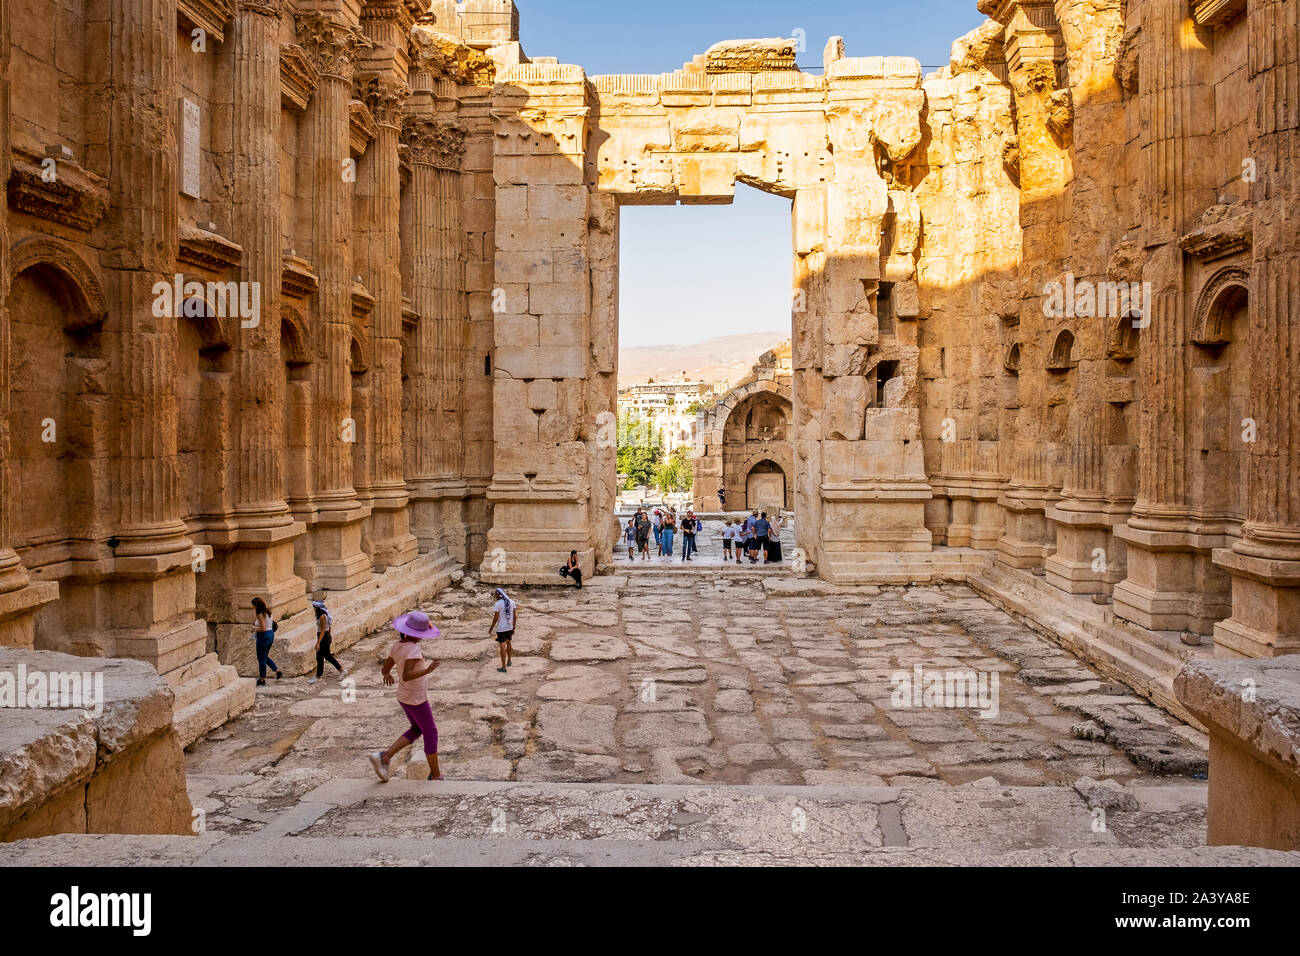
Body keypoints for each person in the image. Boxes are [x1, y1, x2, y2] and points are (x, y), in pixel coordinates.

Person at [369, 609, 442, 782]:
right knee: (431, 733)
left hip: (404, 696)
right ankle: (436, 776)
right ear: (417, 635)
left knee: (416, 729)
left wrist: (387, 674)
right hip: (416, 699)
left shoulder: (397, 646)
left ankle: (385, 757)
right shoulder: (414, 650)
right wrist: (428, 670)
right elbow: (407, 676)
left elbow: (385, 669)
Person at [308, 599, 344, 684]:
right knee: (324, 656)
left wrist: (318, 643)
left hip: (323, 637)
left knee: (322, 657)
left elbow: (323, 630)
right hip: (325, 637)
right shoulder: (324, 615)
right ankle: (320, 675)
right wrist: (329, 637)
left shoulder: (322, 617)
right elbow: (329, 627)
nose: (314, 609)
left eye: (314, 607)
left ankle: (340, 671)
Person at [251, 597, 282, 686]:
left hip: (263, 637)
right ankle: (277, 671)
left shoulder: (259, 614)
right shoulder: (268, 611)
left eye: (253, 605)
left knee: (261, 659)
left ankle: (262, 679)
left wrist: (254, 628)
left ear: (256, 605)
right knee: (264, 656)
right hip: (270, 635)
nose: (252, 607)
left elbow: (263, 628)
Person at [488, 587, 517, 673]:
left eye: (495, 594)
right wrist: (513, 627)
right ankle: (509, 661)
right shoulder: (511, 602)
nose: (495, 595)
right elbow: (515, 616)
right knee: (509, 643)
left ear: (499, 595)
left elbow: (496, 618)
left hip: (501, 628)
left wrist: (491, 628)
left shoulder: (498, 604)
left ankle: (503, 667)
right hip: (510, 627)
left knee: (502, 646)